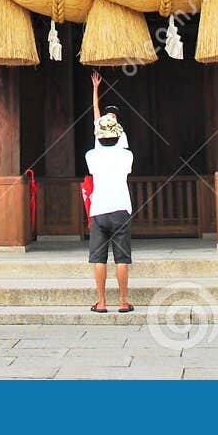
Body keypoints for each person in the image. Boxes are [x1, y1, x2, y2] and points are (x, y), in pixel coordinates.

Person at [86, 70, 134, 313]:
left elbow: (97, 120)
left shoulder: (91, 156)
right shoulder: (127, 154)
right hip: (120, 209)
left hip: (99, 211)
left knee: (98, 258)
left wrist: (95, 89)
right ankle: (123, 301)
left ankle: (102, 301)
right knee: (122, 257)